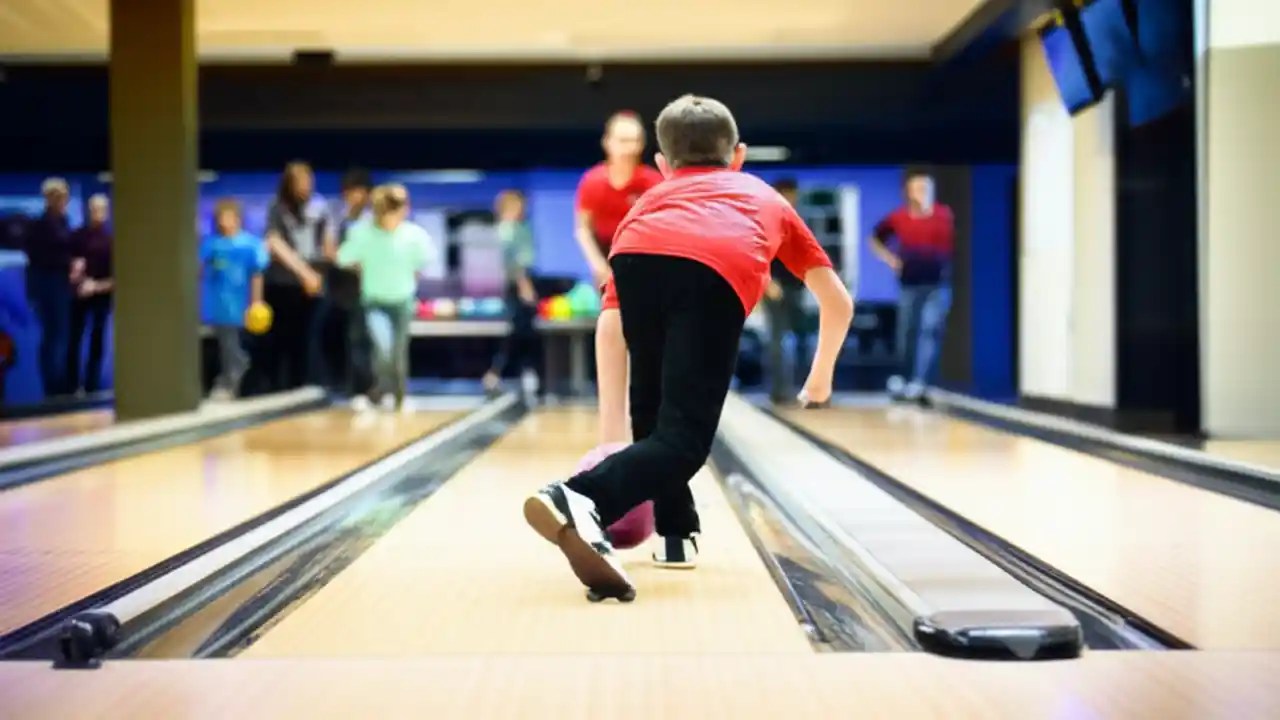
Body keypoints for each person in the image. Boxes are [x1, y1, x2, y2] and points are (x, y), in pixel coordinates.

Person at [524, 95, 853, 598]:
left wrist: (610, 430)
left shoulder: (645, 206)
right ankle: (578, 497)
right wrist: (820, 376)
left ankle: (676, 533)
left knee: (653, 417)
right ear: (738, 155)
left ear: (661, 164)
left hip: (634, 260)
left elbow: (610, 325)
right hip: (713, 273)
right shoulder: (762, 196)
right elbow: (836, 300)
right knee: (684, 441)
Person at [574, 111, 665, 445]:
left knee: (645, 342)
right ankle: (611, 432)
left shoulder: (652, 181)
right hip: (607, 266)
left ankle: (645, 417)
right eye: (621, 139)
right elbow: (582, 229)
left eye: (634, 140)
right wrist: (598, 263)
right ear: (607, 143)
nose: (628, 147)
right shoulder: (593, 181)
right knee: (611, 335)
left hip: (644, 266)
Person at [337, 184, 432, 413]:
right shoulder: (363, 232)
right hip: (375, 302)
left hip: (402, 301)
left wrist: (410, 279)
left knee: (399, 353)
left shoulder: (413, 235)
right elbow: (343, 258)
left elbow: (424, 261)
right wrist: (362, 267)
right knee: (383, 348)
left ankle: (399, 396)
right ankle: (381, 390)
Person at [869, 170, 954, 402]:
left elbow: (945, 248)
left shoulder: (943, 215)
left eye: (925, 188)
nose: (921, 193)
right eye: (916, 188)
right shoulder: (898, 218)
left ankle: (921, 381)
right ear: (907, 192)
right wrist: (891, 259)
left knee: (929, 330)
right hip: (909, 284)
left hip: (937, 284)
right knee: (907, 332)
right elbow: (874, 238)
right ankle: (904, 378)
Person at [262, 161, 335, 391]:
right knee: (282, 341)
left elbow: (327, 246)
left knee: (308, 340)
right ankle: (281, 390)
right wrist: (303, 272)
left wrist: (322, 270)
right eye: (300, 181)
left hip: (313, 284)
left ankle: (308, 388)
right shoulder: (277, 207)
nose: (305, 186)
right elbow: (274, 242)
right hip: (283, 284)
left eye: (308, 180)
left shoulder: (320, 207)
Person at [200, 198, 268, 400]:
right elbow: (200, 270)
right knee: (225, 345)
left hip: (242, 305)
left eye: (227, 217)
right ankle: (228, 381)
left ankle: (237, 382)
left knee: (238, 347)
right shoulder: (212, 245)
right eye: (220, 217)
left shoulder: (250, 245)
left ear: (237, 219)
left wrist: (257, 301)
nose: (224, 222)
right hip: (219, 306)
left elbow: (257, 274)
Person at [483, 190, 543, 397]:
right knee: (519, 330)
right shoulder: (508, 230)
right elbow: (515, 263)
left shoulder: (518, 228)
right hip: (517, 285)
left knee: (524, 330)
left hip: (521, 282)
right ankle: (498, 373)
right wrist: (524, 286)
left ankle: (518, 372)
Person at [761, 178, 812, 405]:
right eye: (787, 195)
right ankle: (780, 392)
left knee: (805, 340)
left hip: (798, 287)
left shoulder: (798, 221)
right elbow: (757, 254)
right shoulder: (765, 221)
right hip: (775, 288)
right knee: (779, 342)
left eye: (793, 195)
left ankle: (807, 390)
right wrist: (767, 281)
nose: (791, 200)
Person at [23, 177, 74, 397]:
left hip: (61, 284)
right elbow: (37, 258)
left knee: (61, 335)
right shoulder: (39, 225)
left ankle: (60, 385)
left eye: (64, 196)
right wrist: (69, 262)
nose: (63, 200)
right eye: (59, 196)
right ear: (49, 198)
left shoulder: (64, 221)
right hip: (47, 284)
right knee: (53, 337)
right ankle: (52, 388)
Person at [332, 168, 375, 399]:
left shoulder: (372, 222)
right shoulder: (338, 219)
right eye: (349, 193)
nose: (353, 197)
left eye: (357, 192)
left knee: (364, 338)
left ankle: (367, 387)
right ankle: (352, 387)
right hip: (341, 289)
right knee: (349, 338)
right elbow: (332, 251)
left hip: (368, 288)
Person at [66, 194, 115, 395]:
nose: (98, 213)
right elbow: (68, 267)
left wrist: (97, 286)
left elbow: (120, 276)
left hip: (102, 295)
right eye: (94, 208)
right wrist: (78, 279)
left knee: (98, 340)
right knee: (74, 339)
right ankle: (71, 386)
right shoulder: (76, 237)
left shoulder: (112, 240)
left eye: (102, 209)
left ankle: (92, 386)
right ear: (88, 210)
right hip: (78, 295)